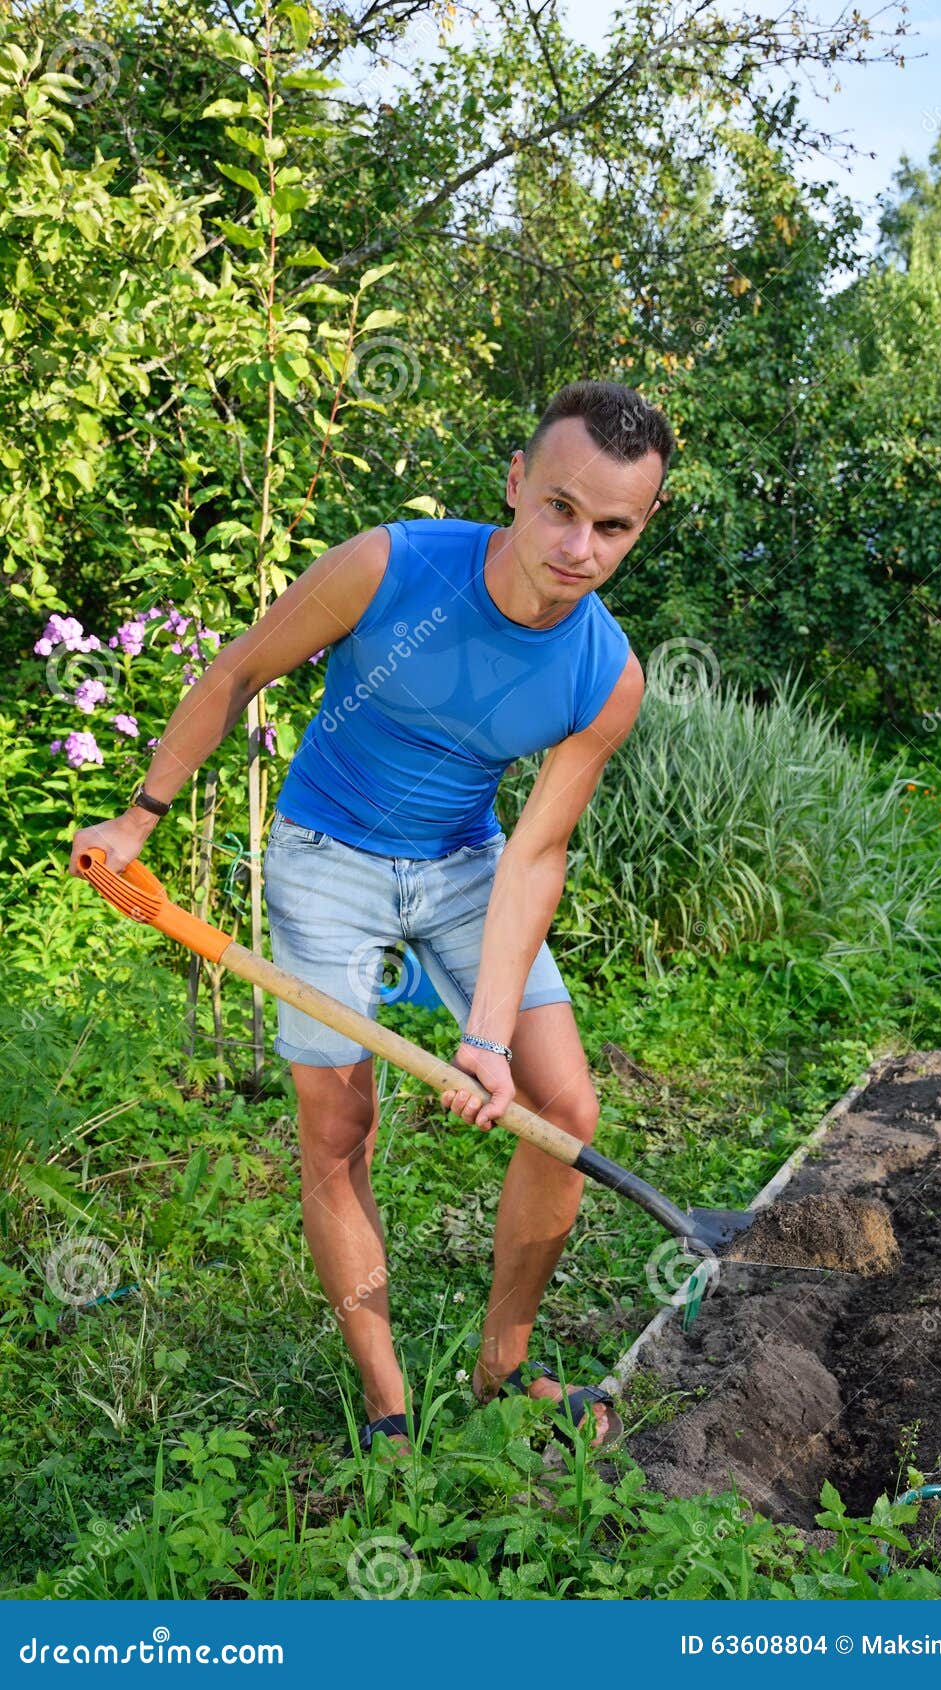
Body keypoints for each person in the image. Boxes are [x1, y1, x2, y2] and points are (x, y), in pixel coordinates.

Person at [71, 379, 675, 1455]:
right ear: (515, 485)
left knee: (564, 1103)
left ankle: (503, 1365)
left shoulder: (604, 673)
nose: (578, 545)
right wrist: (140, 815)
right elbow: (237, 669)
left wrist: (483, 1035)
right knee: (338, 1133)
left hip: (463, 861)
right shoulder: (392, 565)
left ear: (642, 526)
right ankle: (391, 1406)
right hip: (325, 854)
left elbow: (534, 853)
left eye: (611, 525)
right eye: (559, 508)